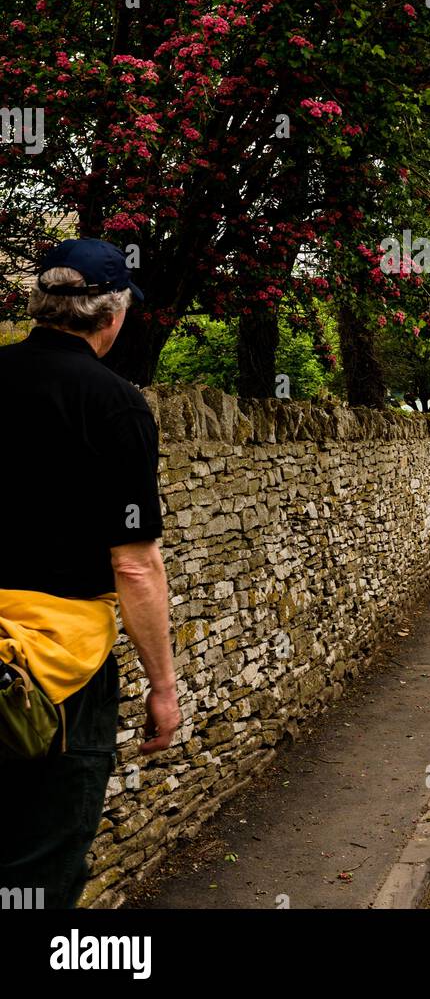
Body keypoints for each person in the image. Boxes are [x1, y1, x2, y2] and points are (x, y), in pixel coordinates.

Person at [0, 238, 181, 909]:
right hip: (56, 675)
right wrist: (162, 686)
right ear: (113, 316)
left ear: (41, 306)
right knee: (40, 865)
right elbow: (134, 565)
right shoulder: (114, 405)